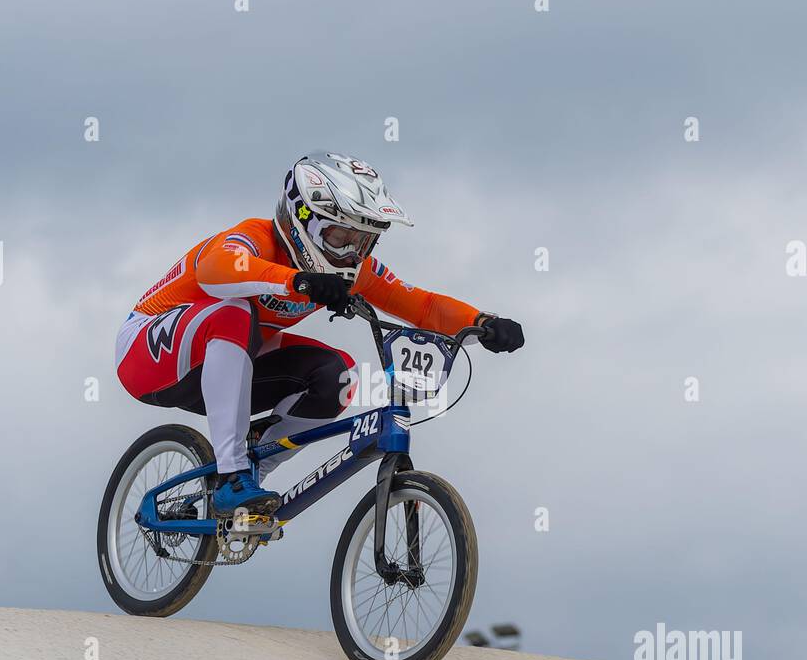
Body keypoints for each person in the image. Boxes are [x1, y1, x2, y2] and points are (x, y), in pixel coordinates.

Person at [116, 151, 524, 515]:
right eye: (341, 237)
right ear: (303, 219)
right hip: (146, 354)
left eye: (363, 242)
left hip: (232, 361)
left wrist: (482, 323)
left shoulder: (352, 270)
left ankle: (253, 472)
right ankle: (231, 474)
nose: (351, 254)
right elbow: (214, 269)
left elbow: (423, 306)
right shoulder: (255, 238)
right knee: (234, 313)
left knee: (339, 374)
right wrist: (298, 281)